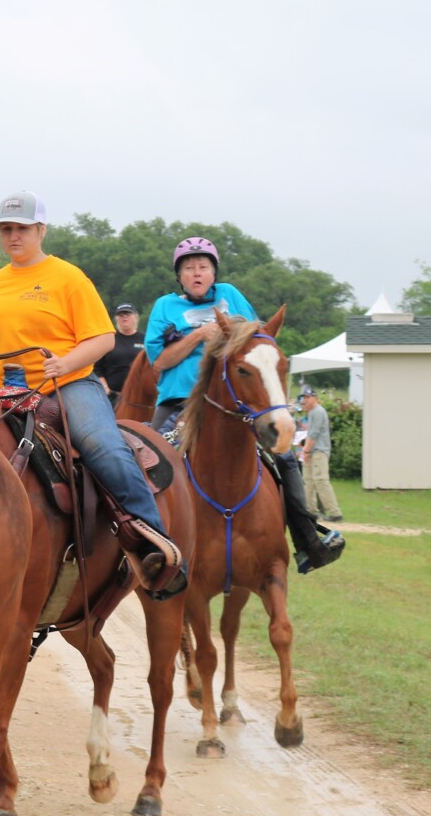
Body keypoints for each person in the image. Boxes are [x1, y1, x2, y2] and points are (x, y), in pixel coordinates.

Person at [0, 193, 182, 586]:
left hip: (66, 386)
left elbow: (101, 337)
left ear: (41, 230)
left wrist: (66, 363)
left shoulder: (68, 277)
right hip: (4, 394)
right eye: (6, 229)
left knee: (103, 445)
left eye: (22, 228)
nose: (13, 236)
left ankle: (152, 541)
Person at [143, 236, 344, 575]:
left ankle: (308, 538)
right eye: (189, 268)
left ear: (213, 272)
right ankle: (146, 545)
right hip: (179, 402)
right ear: (179, 276)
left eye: (203, 267)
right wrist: (197, 335)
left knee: (284, 456)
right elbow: (159, 362)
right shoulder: (165, 307)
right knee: (147, 459)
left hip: (232, 404)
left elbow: (256, 339)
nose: (196, 273)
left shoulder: (231, 295)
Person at [298, 387, 343, 522]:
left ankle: (335, 513)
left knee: (321, 480)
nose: (305, 400)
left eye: (307, 397)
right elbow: (311, 434)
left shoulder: (318, 412)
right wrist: (306, 448)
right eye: (304, 398)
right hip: (312, 451)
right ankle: (310, 511)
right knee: (309, 481)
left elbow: (314, 434)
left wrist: (305, 451)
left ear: (315, 398)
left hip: (319, 451)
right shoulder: (312, 412)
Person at [94, 302, 146, 408]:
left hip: (140, 398)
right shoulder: (109, 339)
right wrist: (104, 387)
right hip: (113, 396)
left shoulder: (146, 339)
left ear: (136, 317)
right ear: (116, 319)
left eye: (128, 314)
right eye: (121, 315)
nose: (124, 317)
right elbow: (96, 368)